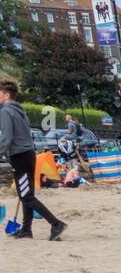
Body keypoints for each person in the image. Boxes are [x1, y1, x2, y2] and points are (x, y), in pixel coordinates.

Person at [0, 79, 67, 240]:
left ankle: (56, 223)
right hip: (29, 154)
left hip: (19, 156)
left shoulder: (5, 111)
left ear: (6, 94)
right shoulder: (20, 110)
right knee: (26, 193)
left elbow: (7, 137)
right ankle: (26, 229)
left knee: (26, 196)